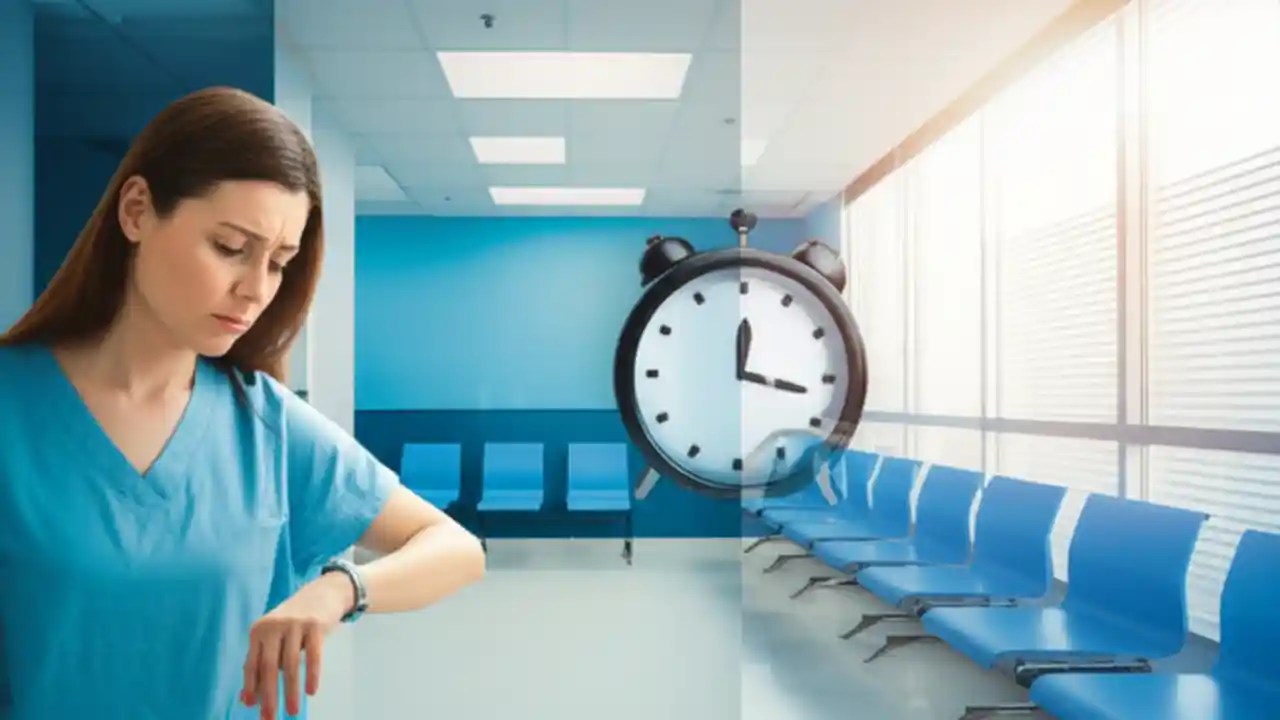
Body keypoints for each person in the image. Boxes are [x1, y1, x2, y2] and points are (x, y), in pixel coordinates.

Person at [0, 86, 486, 719]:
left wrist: (339, 589)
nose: (255, 289)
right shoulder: (14, 408)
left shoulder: (267, 426)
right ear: (138, 211)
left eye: (279, 262)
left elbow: (455, 548)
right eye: (229, 248)